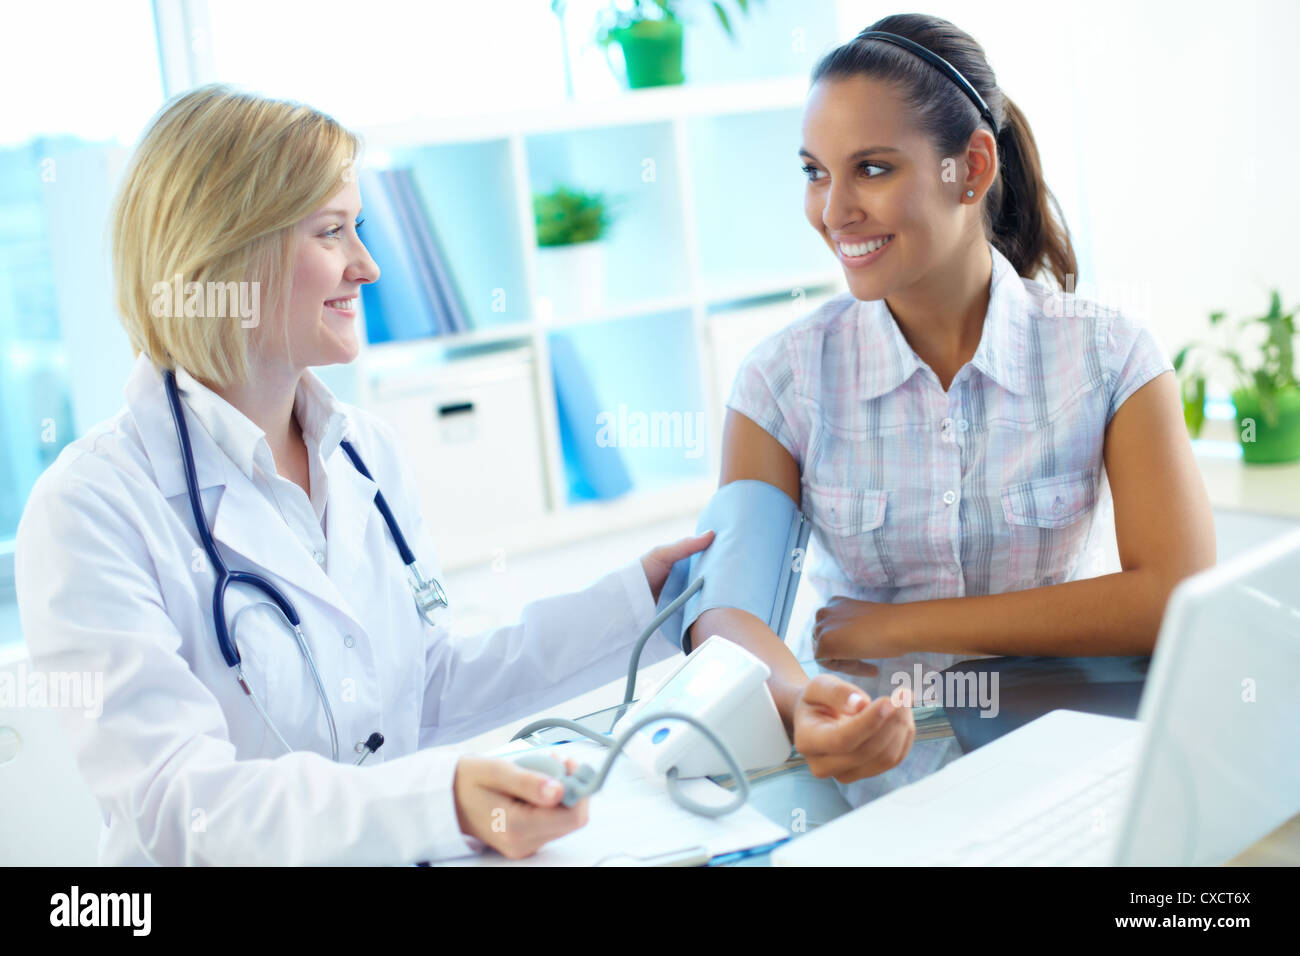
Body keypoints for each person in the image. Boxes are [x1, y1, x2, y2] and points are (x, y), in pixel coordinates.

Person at [14, 84, 716, 865]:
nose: (369, 266)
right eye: (332, 232)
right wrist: (436, 802)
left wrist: (636, 605)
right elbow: (183, 802)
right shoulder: (91, 507)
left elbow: (427, 690)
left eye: (361, 228)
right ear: (225, 253)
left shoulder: (363, 453)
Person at [685, 13, 1216, 806]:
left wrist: (902, 626)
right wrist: (802, 700)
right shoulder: (781, 383)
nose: (833, 212)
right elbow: (726, 615)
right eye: (814, 172)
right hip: (868, 784)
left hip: (1059, 764)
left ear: (969, 169)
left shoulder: (1109, 357)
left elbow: (1173, 591)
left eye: (870, 169)